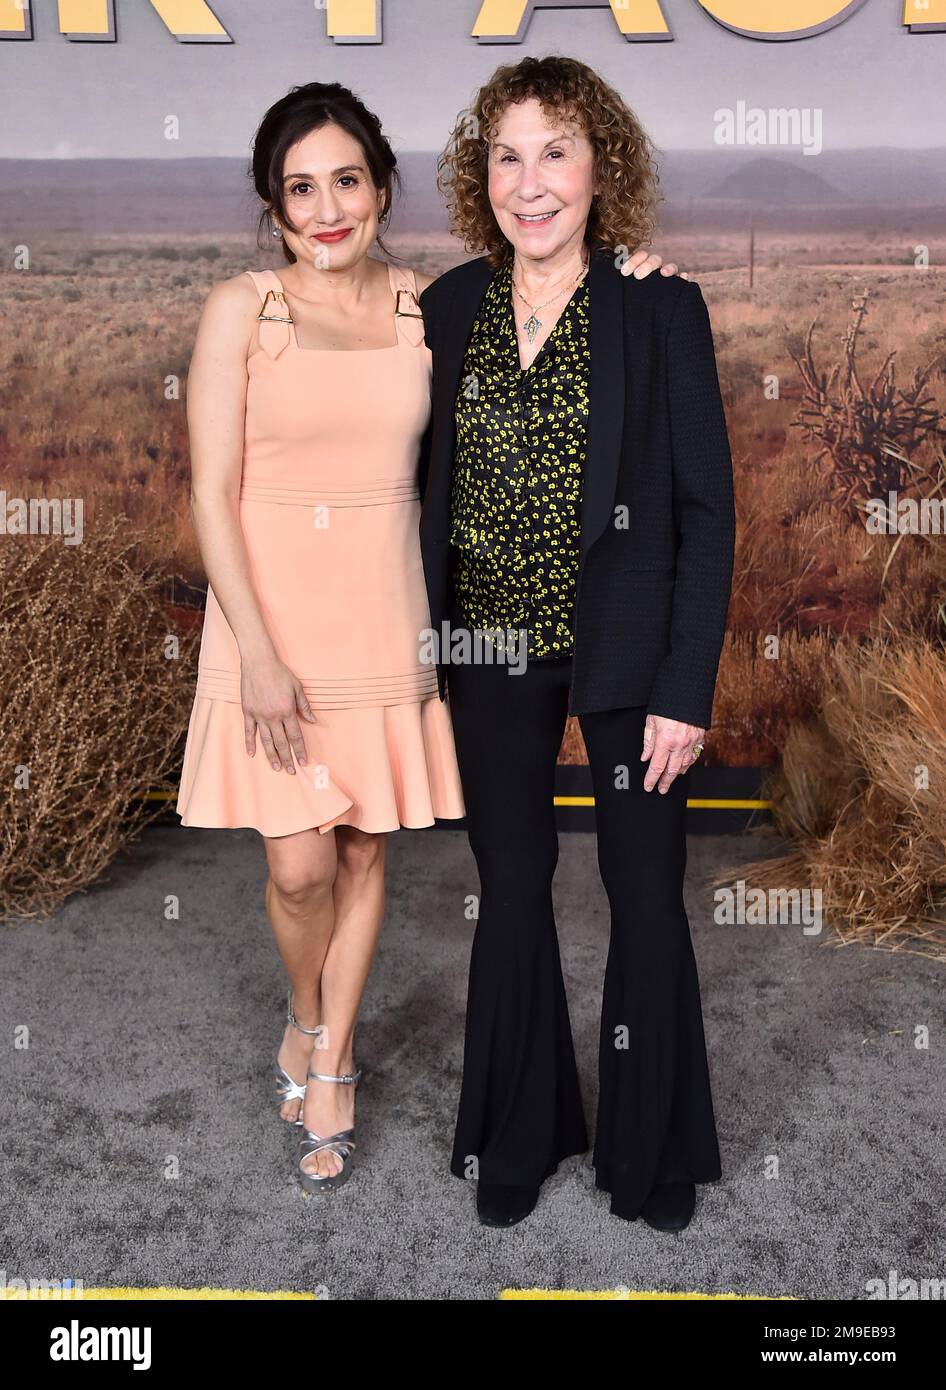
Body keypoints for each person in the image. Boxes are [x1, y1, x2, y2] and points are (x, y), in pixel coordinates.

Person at [175, 81, 680, 1196]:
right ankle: (303, 1017)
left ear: (383, 187)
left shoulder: (430, 305)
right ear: (273, 207)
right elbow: (210, 493)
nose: (326, 207)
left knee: (358, 847)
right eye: (299, 188)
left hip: (387, 616)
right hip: (271, 622)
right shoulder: (240, 310)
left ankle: (336, 1058)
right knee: (298, 862)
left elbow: (561, 316)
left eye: (346, 179)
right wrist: (254, 649)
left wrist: (635, 267)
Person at [418, 56, 735, 1230]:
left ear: (602, 168)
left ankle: (647, 1154)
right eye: (506, 154)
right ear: (479, 175)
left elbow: (707, 513)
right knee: (510, 889)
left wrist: (683, 687)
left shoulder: (659, 306)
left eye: (555, 150)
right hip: (490, 646)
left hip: (629, 653)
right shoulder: (446, 308)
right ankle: (519, 1128)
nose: (529, 180)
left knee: (644, 895)